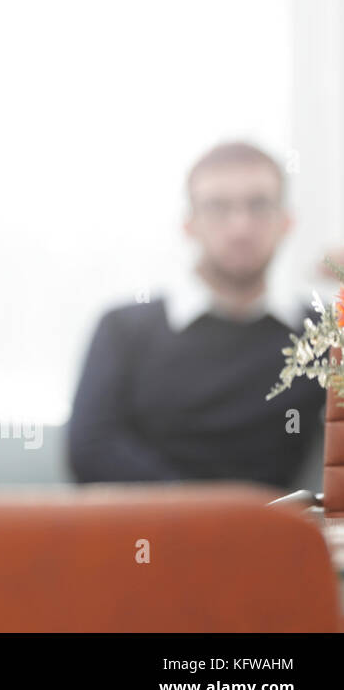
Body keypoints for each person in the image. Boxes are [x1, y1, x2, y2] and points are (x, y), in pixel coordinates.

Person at [67, 141, 325, 490]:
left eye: (259, 205)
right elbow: (90, 452)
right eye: (218, 207)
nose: (240, 227)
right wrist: (208, 518)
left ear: (286, 222)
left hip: (277, 539)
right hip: (148, 536)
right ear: (189, 223)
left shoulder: (322, 336)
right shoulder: (123, 329)